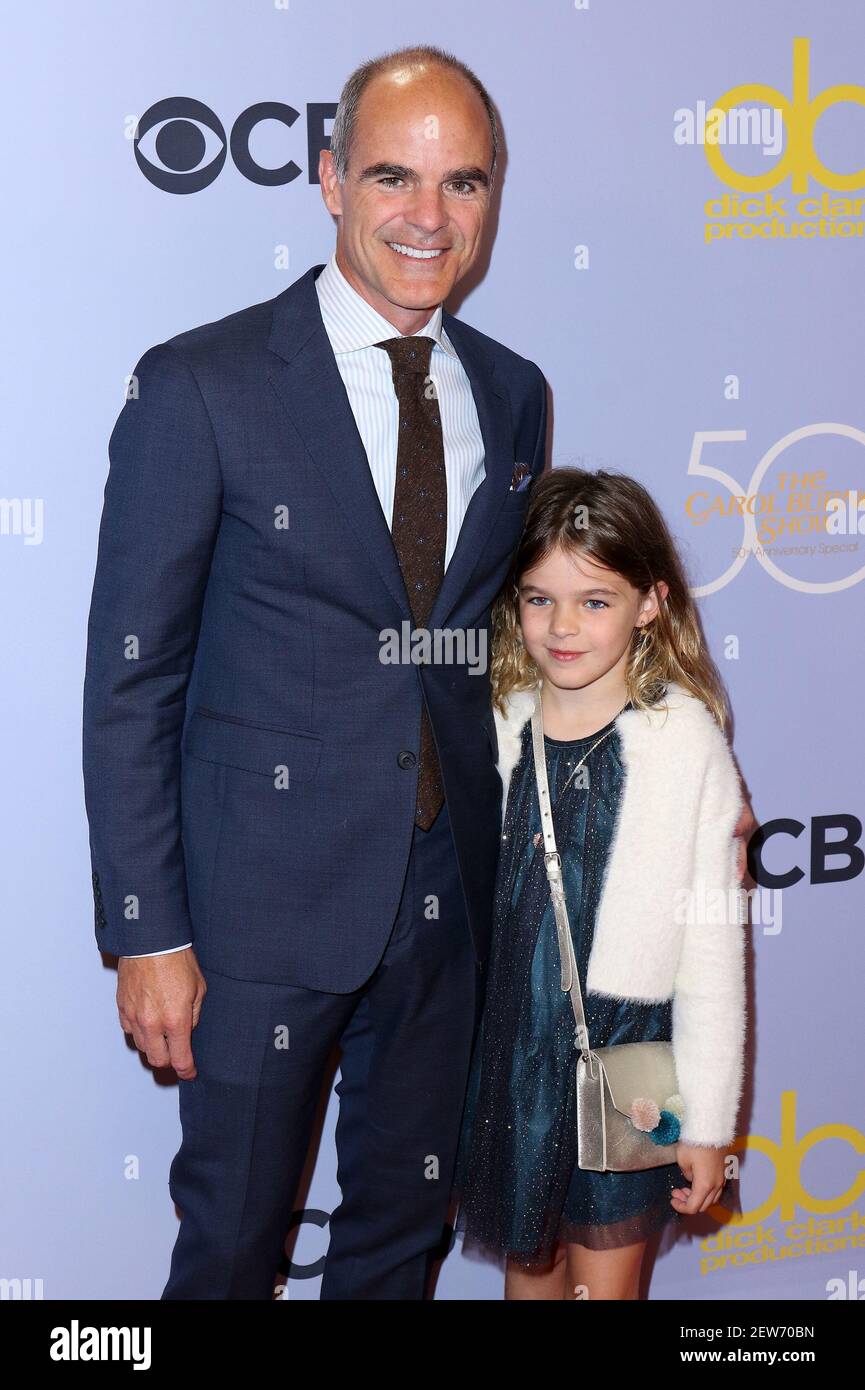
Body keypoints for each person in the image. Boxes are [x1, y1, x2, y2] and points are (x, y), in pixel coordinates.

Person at [81, 45, 549, 1299]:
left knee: (400, 1240)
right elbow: (133, 676)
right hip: (253, 919)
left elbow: (476, 649)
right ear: (331, 179)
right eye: (394, 175)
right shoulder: (205, 384)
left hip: (446, 905)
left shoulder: (512, 394)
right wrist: (147, 928)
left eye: (465, 183)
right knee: (233, 1250)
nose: (428, 216)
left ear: (493, 200)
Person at [453, 466, 749, 1300]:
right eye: (539, 598)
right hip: (508, 1058)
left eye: (595, 600)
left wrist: (707, 1125)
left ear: (649, 603)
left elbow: (711, 960)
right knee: (529, 1283)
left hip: (621, 1067)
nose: (562, 627)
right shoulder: (492, 716)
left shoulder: (681, 743)